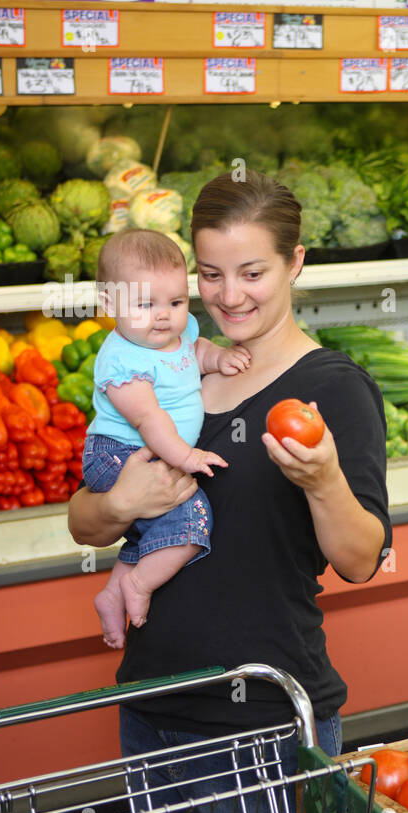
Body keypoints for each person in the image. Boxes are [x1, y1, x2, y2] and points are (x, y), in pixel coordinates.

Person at [67, 171, 392, 813]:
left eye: (252, 272)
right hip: (153, 703)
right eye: (210, 274)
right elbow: (84, 524)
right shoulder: (166, 364)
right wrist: (120, 503)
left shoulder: (332, 389)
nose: (228, 295)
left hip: (263, 721)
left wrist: (325, 479)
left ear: (295, 261)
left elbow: (361, 558)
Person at [84, 228, 251, 648]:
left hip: (153, 451)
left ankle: (111, 594)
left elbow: (192, 353)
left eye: (176, 303)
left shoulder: (173, 337)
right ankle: (138, 585)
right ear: (109, 304)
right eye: (145, 304)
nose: (163, 316)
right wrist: (186, 456)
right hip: (121, 454)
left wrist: (218, 358)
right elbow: (149, 418)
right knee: (192, 519)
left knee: (148, 532)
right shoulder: (121, 360)